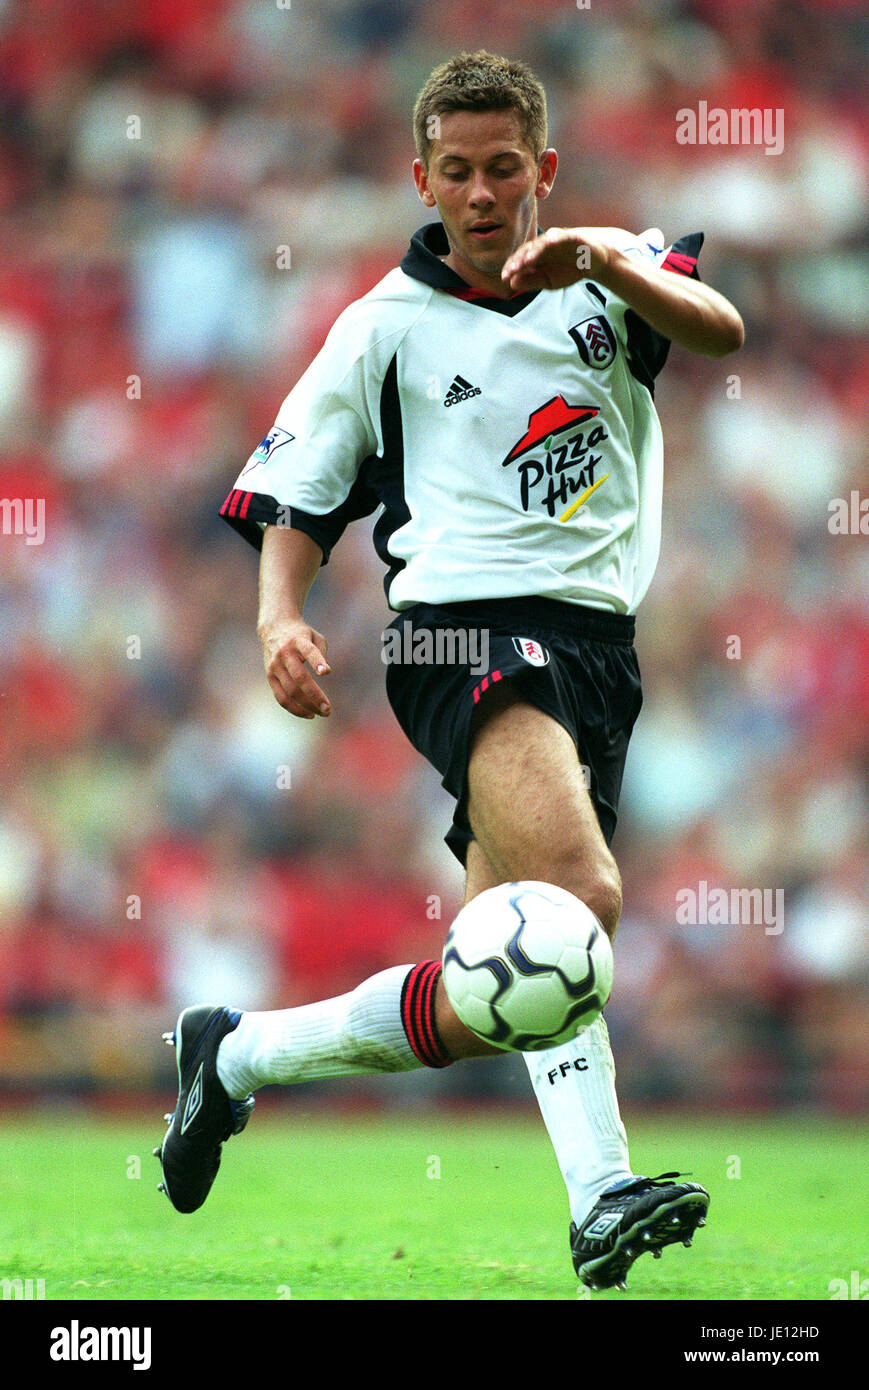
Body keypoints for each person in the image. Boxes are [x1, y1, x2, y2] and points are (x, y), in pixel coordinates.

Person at [156, 50, 743, 1292]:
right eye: (456, 172)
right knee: (577, 896)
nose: (480, 193)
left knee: (502, 984)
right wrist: (278, 621)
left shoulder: (611, 275)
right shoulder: (380, 327)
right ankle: (598, 1199)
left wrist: (607, 261)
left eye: (504, 168)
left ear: (544, 170)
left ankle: (235, 1057)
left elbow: (722, 329)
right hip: (458, 634)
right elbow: (296, 496)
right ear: (422, 177)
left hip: (597, 648)